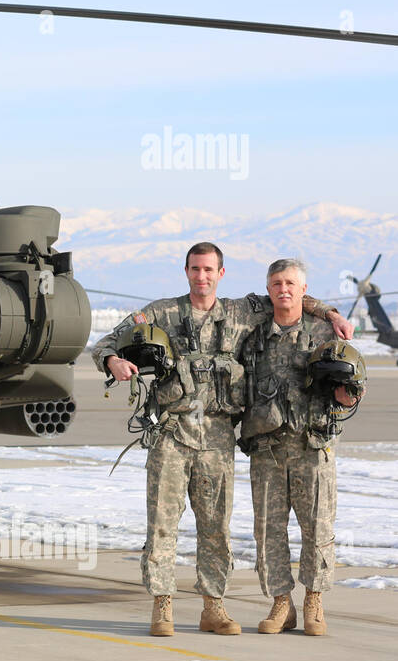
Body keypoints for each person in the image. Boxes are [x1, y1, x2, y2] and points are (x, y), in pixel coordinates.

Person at [92, 242, 351, 637]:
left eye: (209, 270)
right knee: (162, 525)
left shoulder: (240, 312)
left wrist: (329, 312)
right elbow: (105, 343)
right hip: (172, 435)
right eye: (196, 269)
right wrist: (114, 361)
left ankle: (213, 607)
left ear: (221, 273)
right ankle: (163, 607)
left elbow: (288, 296)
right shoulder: (162, 312)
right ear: (186, 271)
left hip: (217, 439)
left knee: (215, 529)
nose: (202, 277)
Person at [238, 259, 364, 636]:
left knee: (317, 527)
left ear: (304, 289)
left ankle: (314, 601)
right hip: (268, 450)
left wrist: (346, 397)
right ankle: (280, 604)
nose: (284, 289)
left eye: (291, 283)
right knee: (268, 529)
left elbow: (354, 387)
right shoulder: (255, 330)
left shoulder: (326, 331)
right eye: (276, 283)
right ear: (268, 288)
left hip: (313, 446)